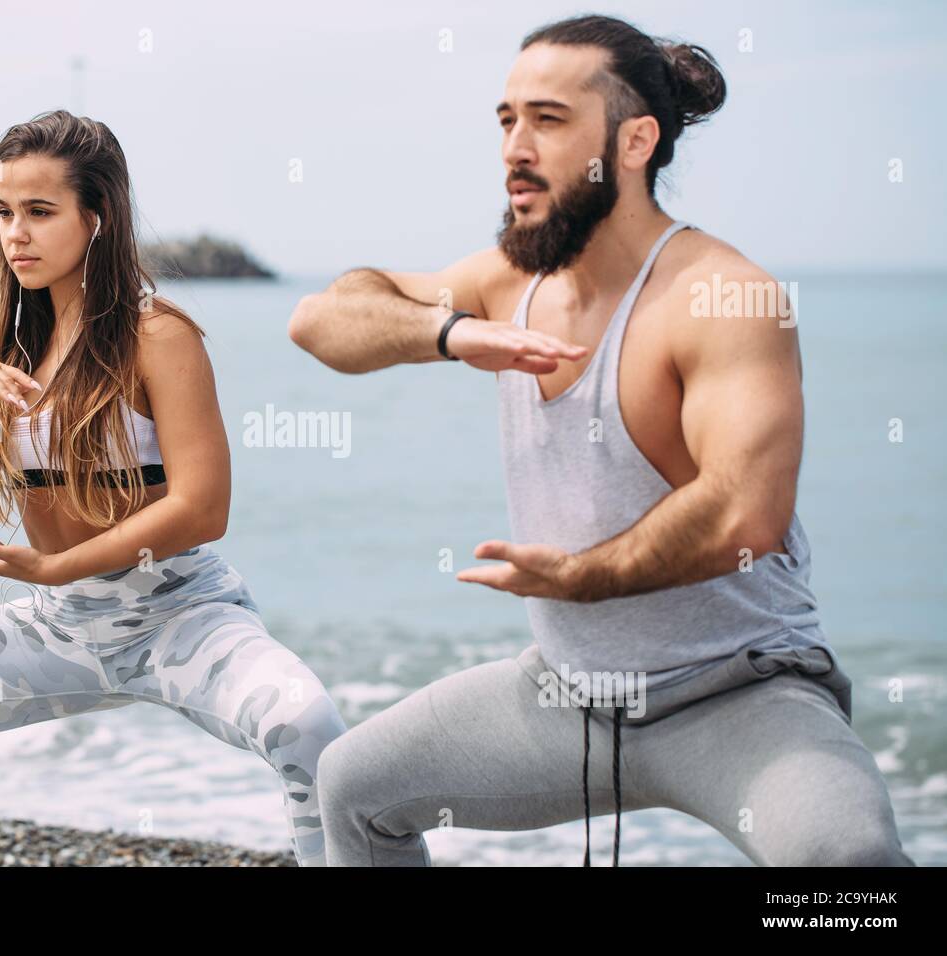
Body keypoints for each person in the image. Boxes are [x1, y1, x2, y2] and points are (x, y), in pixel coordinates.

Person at [288, 14, 914, 867]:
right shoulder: (505, 282)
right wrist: (448, 334)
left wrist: (586, 577)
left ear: (634, 141)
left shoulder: (724, 295)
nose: (515, 145)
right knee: (354, 789)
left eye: (547, 119)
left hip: (736, 693)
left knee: (849, 866)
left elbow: (745, 512)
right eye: (506, 120)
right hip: (566, 695)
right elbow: (319, 318)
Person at [0, 110, 345, 867]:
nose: (14, 234)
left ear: (98, 217)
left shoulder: (158, 336)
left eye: (39, 212)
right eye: (2, 213)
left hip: (177, 615)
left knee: (313, 734)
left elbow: (203, 508)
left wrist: (55, 566)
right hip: (61, 628)